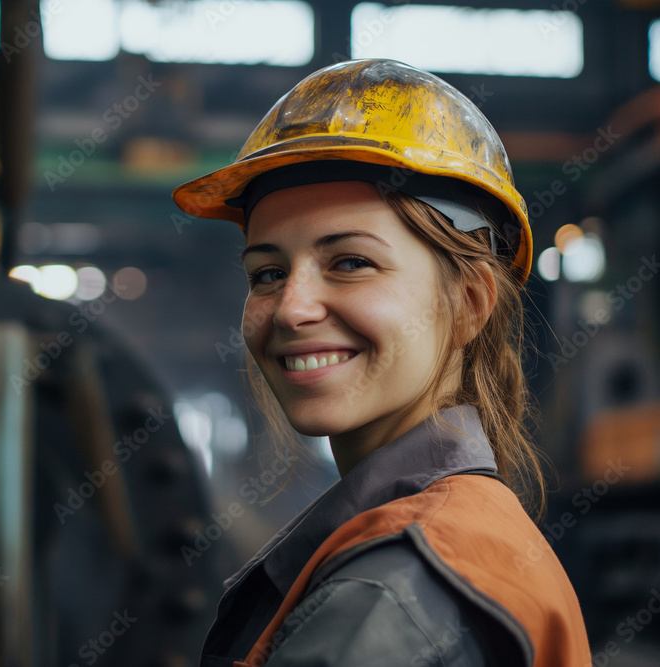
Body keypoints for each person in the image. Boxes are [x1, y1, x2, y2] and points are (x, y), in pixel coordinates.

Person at [171, 59, 591, 666]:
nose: (291, 308)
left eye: (350, 262)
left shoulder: (391, 597)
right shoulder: (470, 532)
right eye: (267, 273)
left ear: (470, 303)